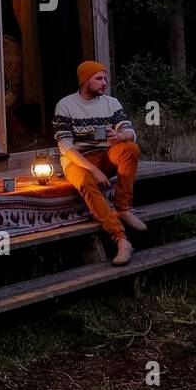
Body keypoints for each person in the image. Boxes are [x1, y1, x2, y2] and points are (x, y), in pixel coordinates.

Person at [52, 60, 147, 266]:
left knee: (131, 148)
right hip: (77, 160)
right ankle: (121, 240)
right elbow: (66, 147)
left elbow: (131, 132)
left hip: (105, 154)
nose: (104, 83)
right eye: (99, 78)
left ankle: (122, 207)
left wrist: (121, 137)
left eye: (105, 78)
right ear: (85, 81)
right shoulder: (66, 105)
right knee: (85, 181)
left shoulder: (111, 103)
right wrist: (94, 170)